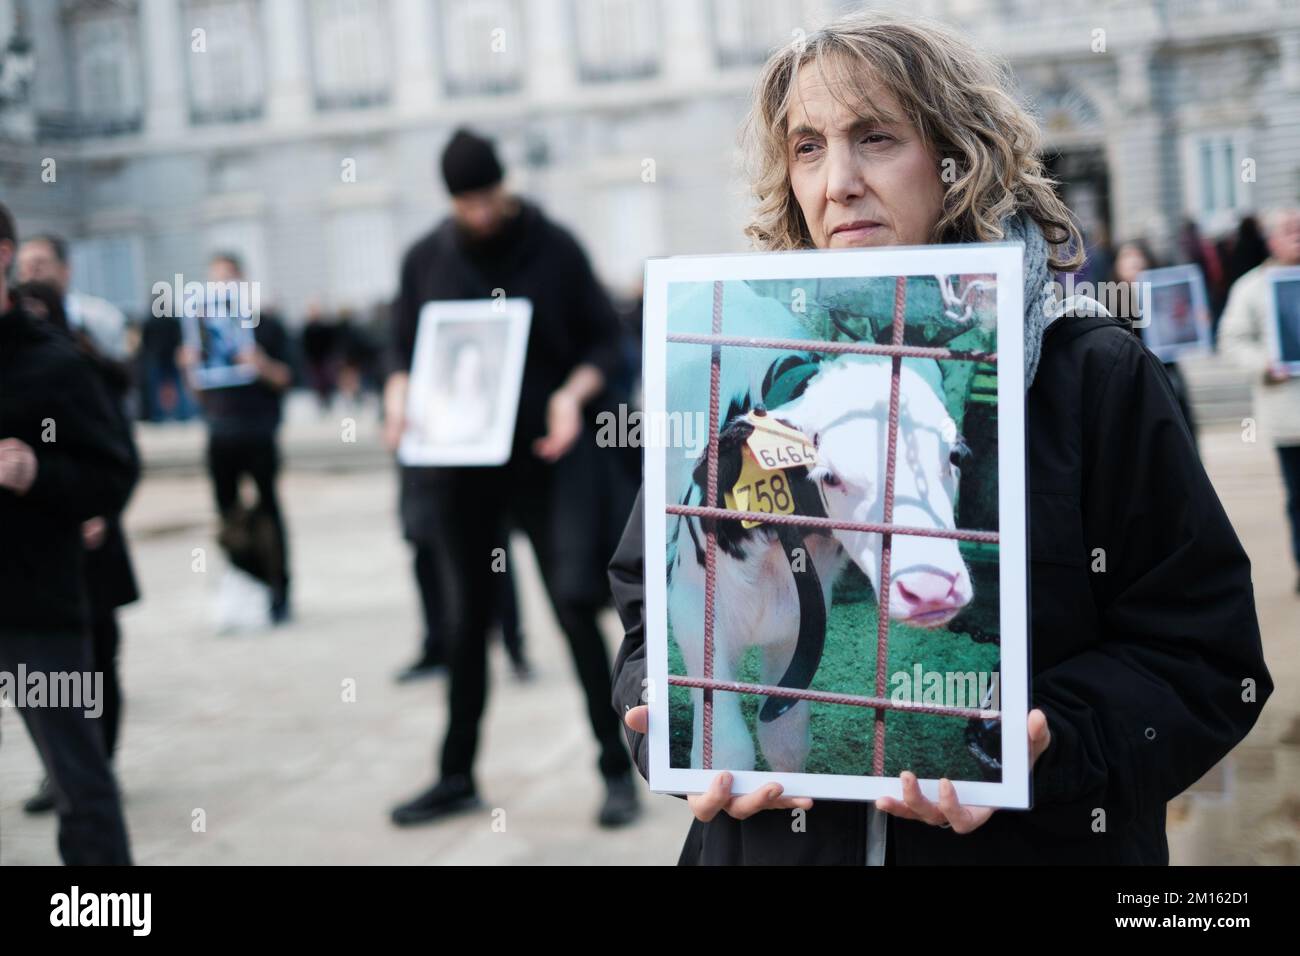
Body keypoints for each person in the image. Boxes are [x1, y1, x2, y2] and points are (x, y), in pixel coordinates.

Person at [609, 11, 1272, 865]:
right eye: (808, 147)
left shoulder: (1091, 376)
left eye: (875, 137)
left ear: (960, 158)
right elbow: (648, 597)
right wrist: (664, 721)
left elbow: (1207, 658)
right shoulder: (748, 374)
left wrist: (1047, 743)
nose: (838, 181)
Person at [385, 128, 639, 827]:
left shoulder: (554, 247)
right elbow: (403, 351)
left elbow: (603, 342)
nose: (479, 210)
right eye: (465, 200)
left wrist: (571, 395)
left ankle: (616, 767)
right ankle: (455, 774)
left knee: (573, 605)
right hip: (462, 469)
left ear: (504, 186)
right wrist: (398, 397)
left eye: (487, 195)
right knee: (466, 621)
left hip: (548, 461)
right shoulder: (426, 259)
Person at [0, 202, 136, 864]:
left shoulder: (52, 364)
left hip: (34, 606)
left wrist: (36, 473)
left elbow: (113, 474)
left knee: (78, 780)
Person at [179, 253, 295, 624]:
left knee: (268, 511)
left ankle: (279, 590)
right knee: (227, 516)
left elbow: (288, 377)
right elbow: (200, 392)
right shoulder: (202, 328)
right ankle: (243, 582)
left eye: (229, 278)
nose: (222, 286)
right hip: (221, 433)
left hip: (258, 431)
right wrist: (189, 370)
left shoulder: (267, 323)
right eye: (216, 280)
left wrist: (260, 364)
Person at [1217, 207, 1300, 595]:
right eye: (1288, 228)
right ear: (1270, 239)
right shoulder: (1251, 288)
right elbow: (1232, 342)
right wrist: (1266, 365)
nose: (1295, 233)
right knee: (1298, 497)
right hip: (1288, 417)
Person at [1108, 239, 1198, 442]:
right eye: (1127, 256)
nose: (1133, 262)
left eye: (1137, 256)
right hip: (1130, 377)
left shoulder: (1163, 295)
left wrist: (1194, 322)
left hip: (1165, 370)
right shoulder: (1109, 302)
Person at [16, 233, 131, 362]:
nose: (30, 274)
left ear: (65, 269)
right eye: (23, 267)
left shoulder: (102, 318)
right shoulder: (15, 323)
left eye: (39, 265)